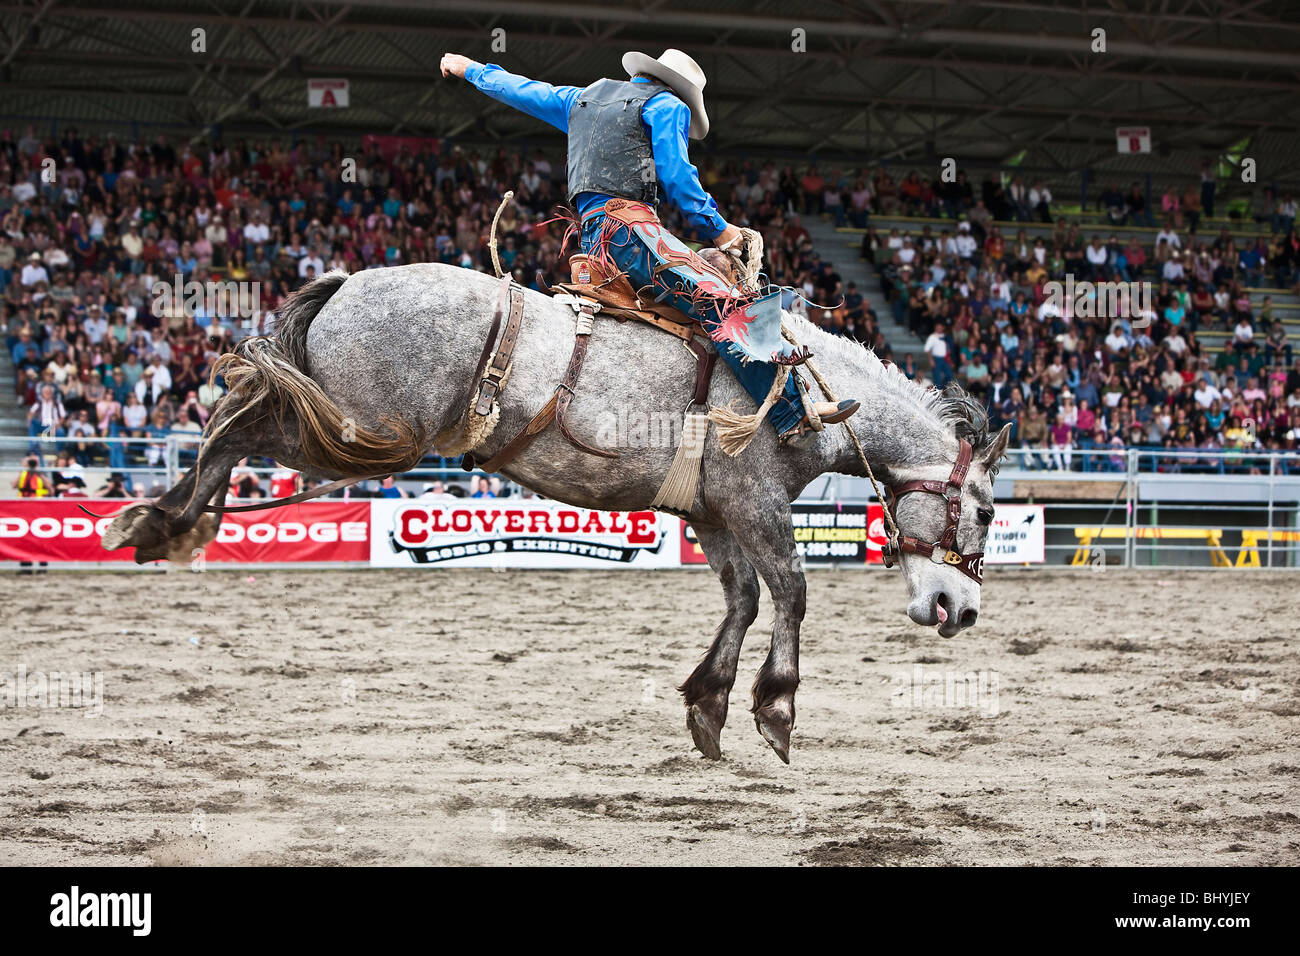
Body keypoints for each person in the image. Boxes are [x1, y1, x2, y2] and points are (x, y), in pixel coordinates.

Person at [441, 48, 858, 447]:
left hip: (592, 242)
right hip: (630, 234)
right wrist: (719, 231)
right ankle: (792, 414)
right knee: (728, 304)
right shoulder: (667, 106)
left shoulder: (580, 100)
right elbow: (678, 179)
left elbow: (520, 88)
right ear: (680, 91)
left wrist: (469, 68)